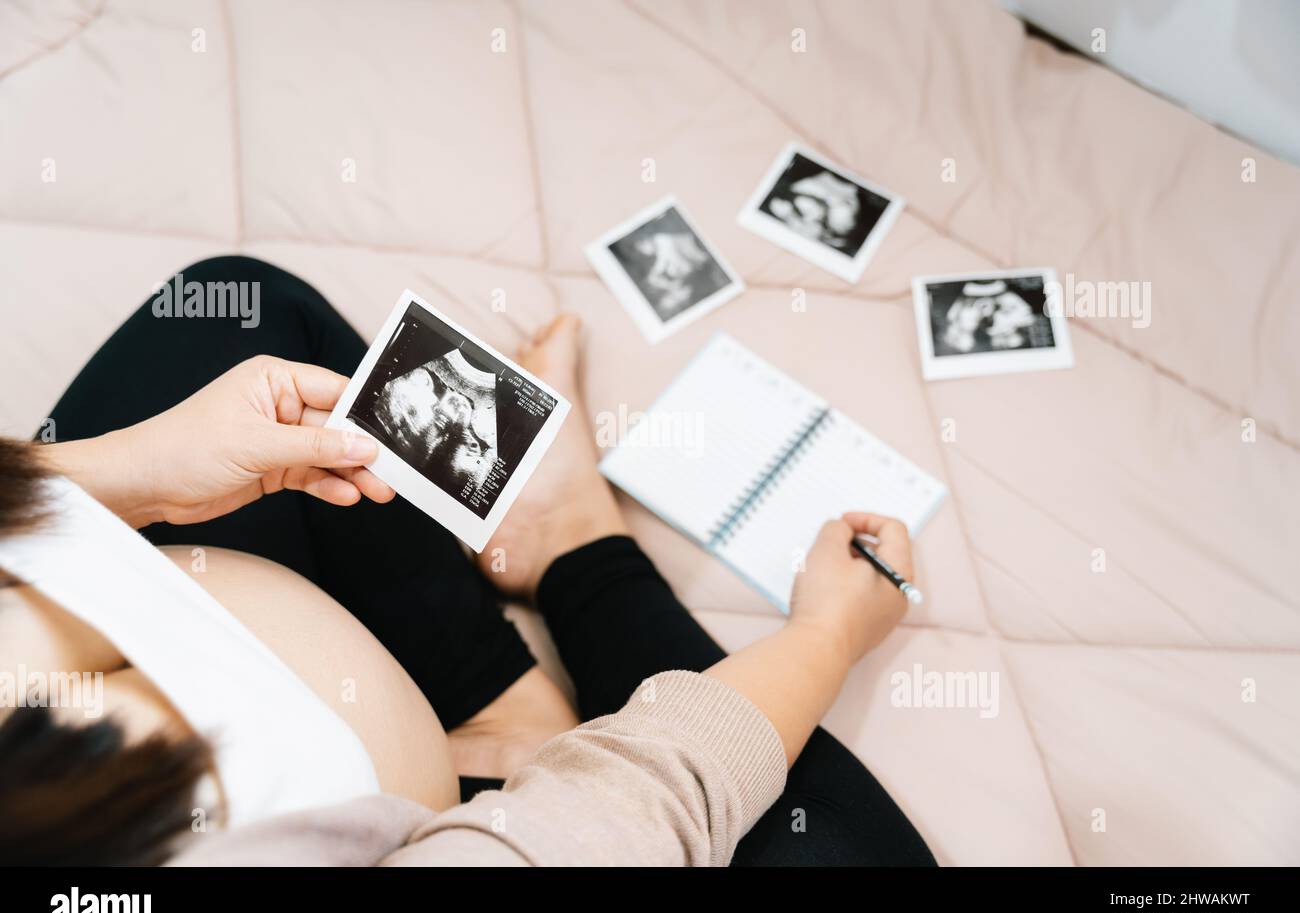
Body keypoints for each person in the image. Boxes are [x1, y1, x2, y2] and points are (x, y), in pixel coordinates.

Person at [0, 256, 935, 866]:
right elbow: (645, 795)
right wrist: (827, 631)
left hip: (195, 604)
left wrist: (122, 477)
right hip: (420, 806)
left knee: (244, 312)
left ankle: (506, 709)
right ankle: (573, 548)